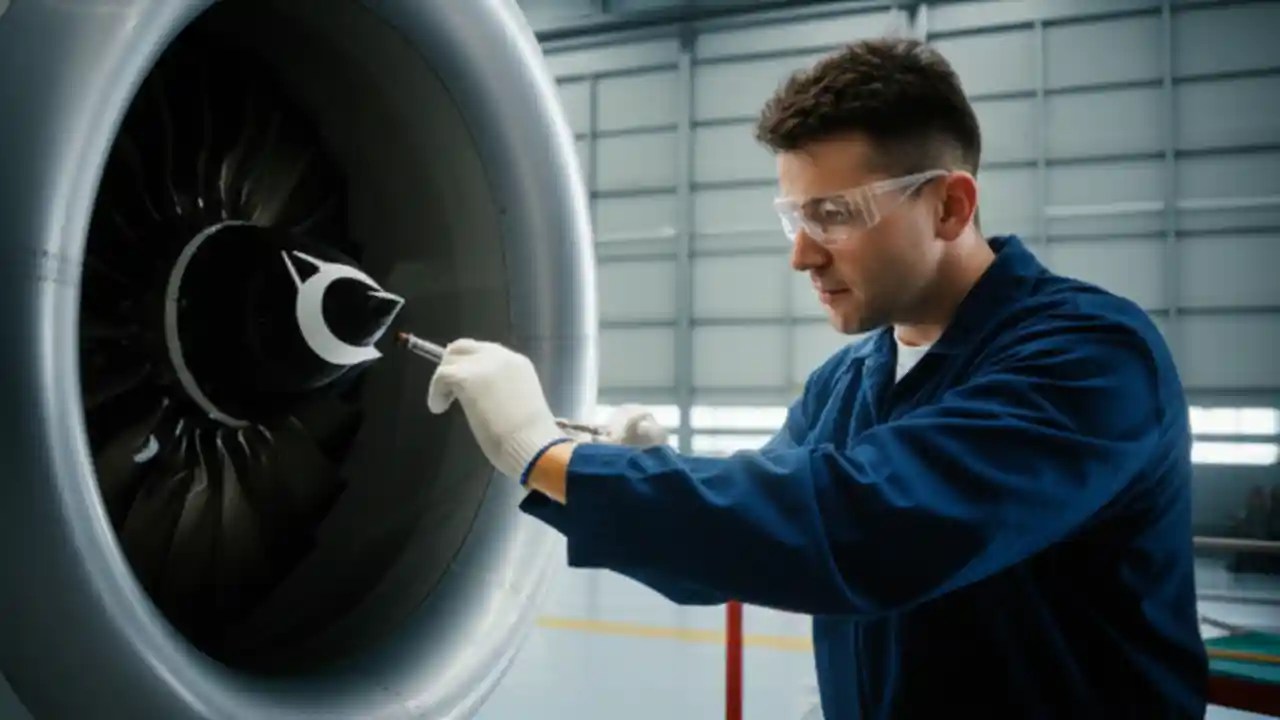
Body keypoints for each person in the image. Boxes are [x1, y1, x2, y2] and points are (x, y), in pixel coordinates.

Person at [426, 37, 1208, 718]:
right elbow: (745, 549)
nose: (801, 255)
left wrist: (548, 456)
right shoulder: (847, 383)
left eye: (833, 215)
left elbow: (858, 527)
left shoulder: (1089, 360)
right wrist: (641, 468)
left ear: (948, 206)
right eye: (794, 218)